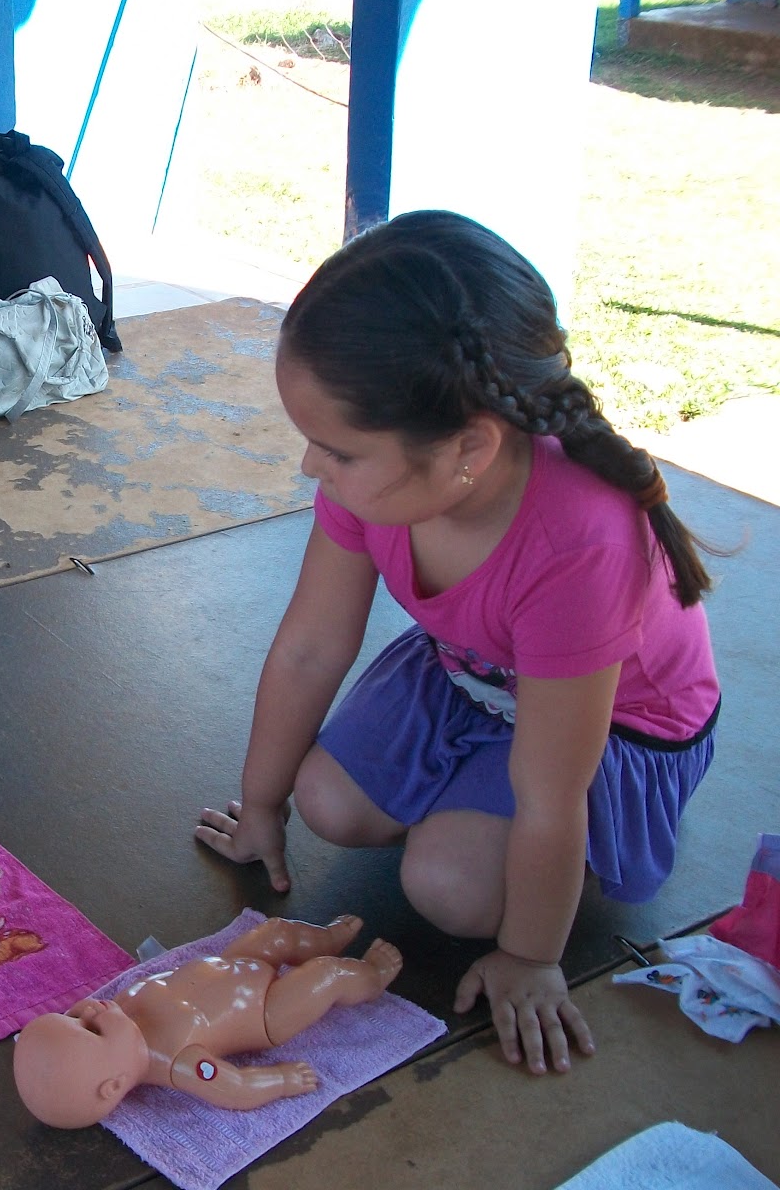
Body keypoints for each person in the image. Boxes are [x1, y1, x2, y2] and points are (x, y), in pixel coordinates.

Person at [195, 210, 721, 1077]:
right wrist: (261, 806)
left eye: (335, 450)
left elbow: (555, 790)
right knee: (326, 802)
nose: (309, 469)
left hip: (613, 733)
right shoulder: (374, 480)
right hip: (476, 677)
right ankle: (467, 812)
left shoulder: (579, 543)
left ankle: (558, 857)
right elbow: (309, 647)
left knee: (453, 890)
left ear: (469, 448)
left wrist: (531, 956)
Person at [12, 914, 400, 1128]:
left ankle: (324, 937)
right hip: (266, 1010)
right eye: (90, 1028)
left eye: (73, 1013)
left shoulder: (122, 1012)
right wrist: (280, 1079)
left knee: (277, 931)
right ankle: (371, 978)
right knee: (324, 976)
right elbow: (234, 1087)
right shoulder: (180, 1063)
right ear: (113, 1084)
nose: (91, 1009)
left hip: (232, 964)